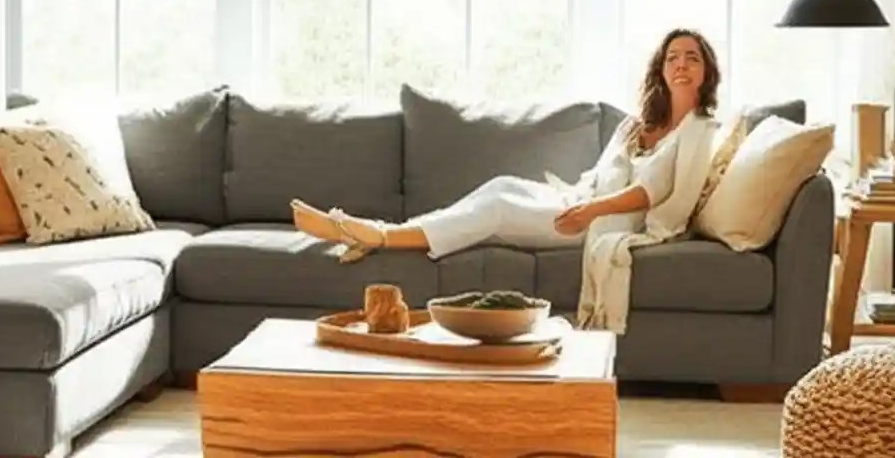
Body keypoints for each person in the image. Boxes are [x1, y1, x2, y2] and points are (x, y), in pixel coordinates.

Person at [291, 28, 724, 333]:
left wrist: (588, 210)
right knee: (501, 186)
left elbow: (658, 191)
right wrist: (574, 196)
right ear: (660, 69)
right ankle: (393, 233)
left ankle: (379, 235)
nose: (681, 64)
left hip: (608, 220)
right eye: (672, 57)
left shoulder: (699, 129)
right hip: (582, 198)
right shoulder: (637, 124)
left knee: (497, 212)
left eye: (692, 57)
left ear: (706, 72)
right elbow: (600, 174)